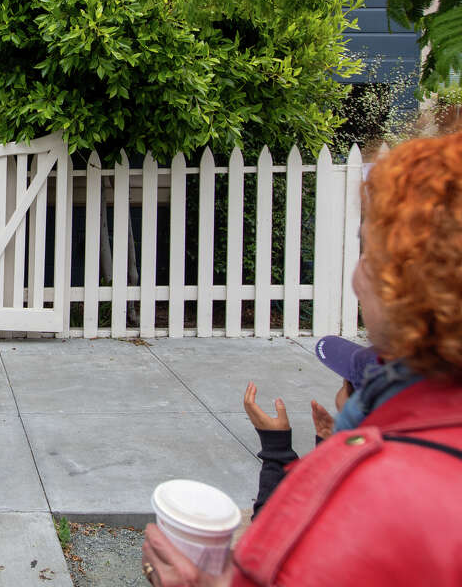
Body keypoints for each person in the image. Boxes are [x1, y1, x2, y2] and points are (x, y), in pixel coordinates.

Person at [141, 132, 462, 586]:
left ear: (409, 282)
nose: (355, 278)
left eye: (368, 253)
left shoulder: (385, 492)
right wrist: (294, 450)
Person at [241, 335, 379, 513]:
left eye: (345, 382)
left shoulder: (360, 482)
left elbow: (272, 524)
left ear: (356, 403)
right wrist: (329, 452)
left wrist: (275, 448)